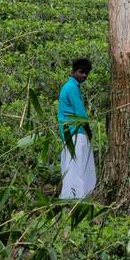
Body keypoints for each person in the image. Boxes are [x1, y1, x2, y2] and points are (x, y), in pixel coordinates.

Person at [58, 58, 97, 200]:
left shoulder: (69, 87)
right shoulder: (72, 88)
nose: (84, 76)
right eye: (81, 72)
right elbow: (80, 113)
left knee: (72, 165)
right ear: (73, 71)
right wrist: (88, 129)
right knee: (78, 166)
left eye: (86, 73)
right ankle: (77, 198)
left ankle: (73, 197)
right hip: (76, 132)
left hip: (69, 133)